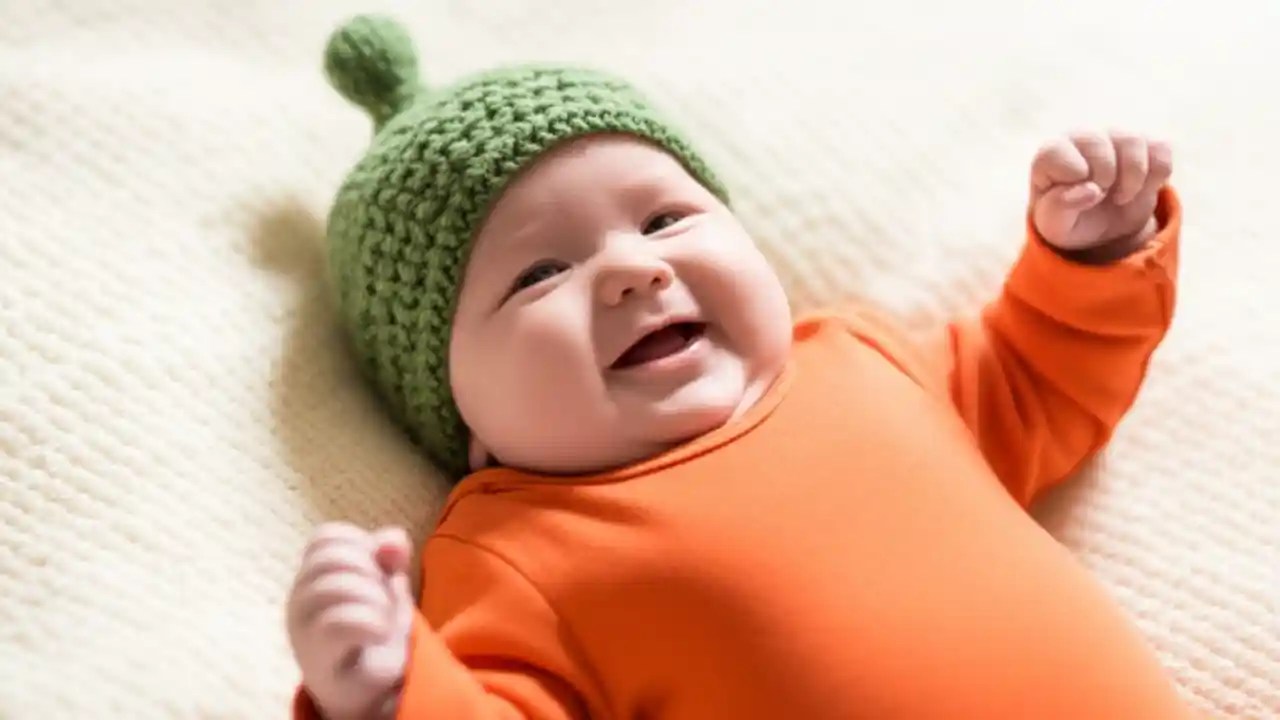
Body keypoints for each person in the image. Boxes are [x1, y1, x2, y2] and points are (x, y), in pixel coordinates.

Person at [287, 14, 1195, 720]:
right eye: (540, 275)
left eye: (664, 220)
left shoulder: (865, 361)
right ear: (460, 415)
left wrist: (1088, 257)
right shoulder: (519, 551)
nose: (634, 269)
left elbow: (1039, 382)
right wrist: (393, 686)